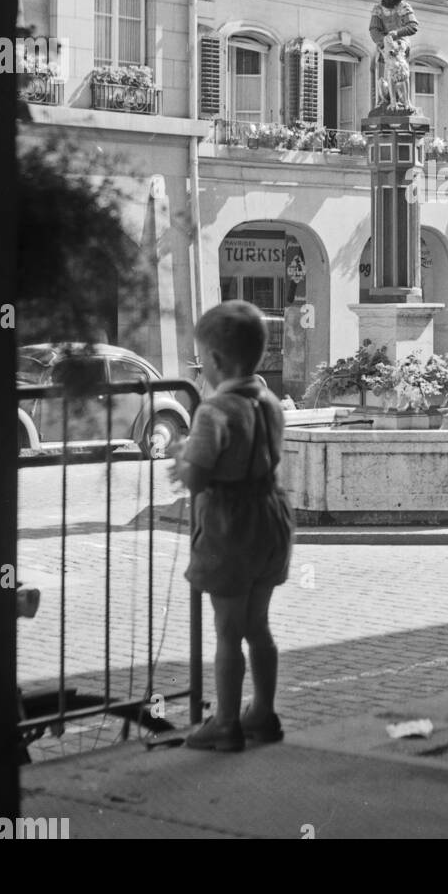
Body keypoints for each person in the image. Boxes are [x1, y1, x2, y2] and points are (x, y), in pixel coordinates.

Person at [167, 301, 295, 752]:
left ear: (217, 362)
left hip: (229, 526)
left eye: (202, 363)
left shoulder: (214, 410)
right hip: (271, 518)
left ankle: (225, 722)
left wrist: (180, 461)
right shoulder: (270, 402)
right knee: (258, 626)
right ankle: (262, 712)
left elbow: (199, 475)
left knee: (227, 631)